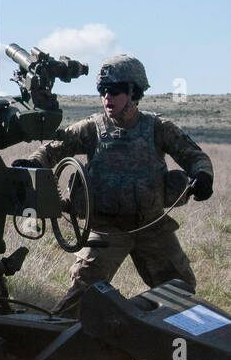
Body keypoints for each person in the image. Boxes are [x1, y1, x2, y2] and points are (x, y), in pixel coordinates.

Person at [18, 54, 214, 316]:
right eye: (103, 91)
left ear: (134, 93)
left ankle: (158, 338)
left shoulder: (158, 128)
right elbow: (51, 151)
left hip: (152, 226)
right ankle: (59, 347)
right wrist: (30, 165)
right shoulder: (91, 128)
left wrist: (203, 176)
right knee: (80, 297)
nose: (107, 98)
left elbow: (195, 157)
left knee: (181, 293)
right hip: (106, 229)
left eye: (115, 91)